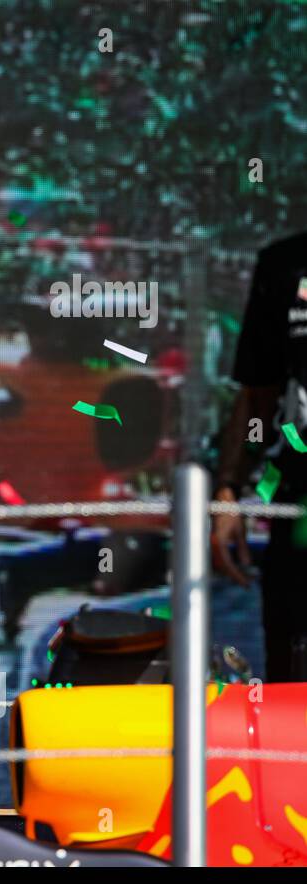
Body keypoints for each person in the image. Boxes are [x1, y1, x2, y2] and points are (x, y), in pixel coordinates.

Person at [211, 233, 307, 682]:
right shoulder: (284, 264)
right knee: (292, 686)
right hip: (300, 509)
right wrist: (229, 489)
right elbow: (257, 395)